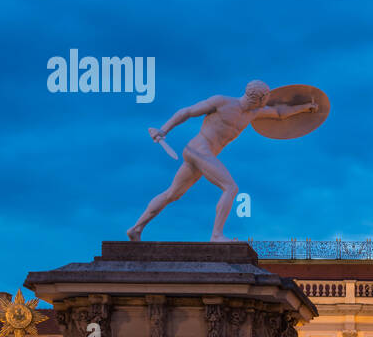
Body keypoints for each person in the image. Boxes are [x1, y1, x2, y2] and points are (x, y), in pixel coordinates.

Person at [128, 80, 318, 242]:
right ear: (259, 98)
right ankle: (217, 235)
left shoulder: (253, 113)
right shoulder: (222, 102)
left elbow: (279, 113)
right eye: (266, 97)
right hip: (199, 150)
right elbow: (187, 112)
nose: (267, 101)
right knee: (230, 187)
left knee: (172, 194)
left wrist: (305, 108)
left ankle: (136, 228)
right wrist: (163, 130)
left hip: (202, 155)